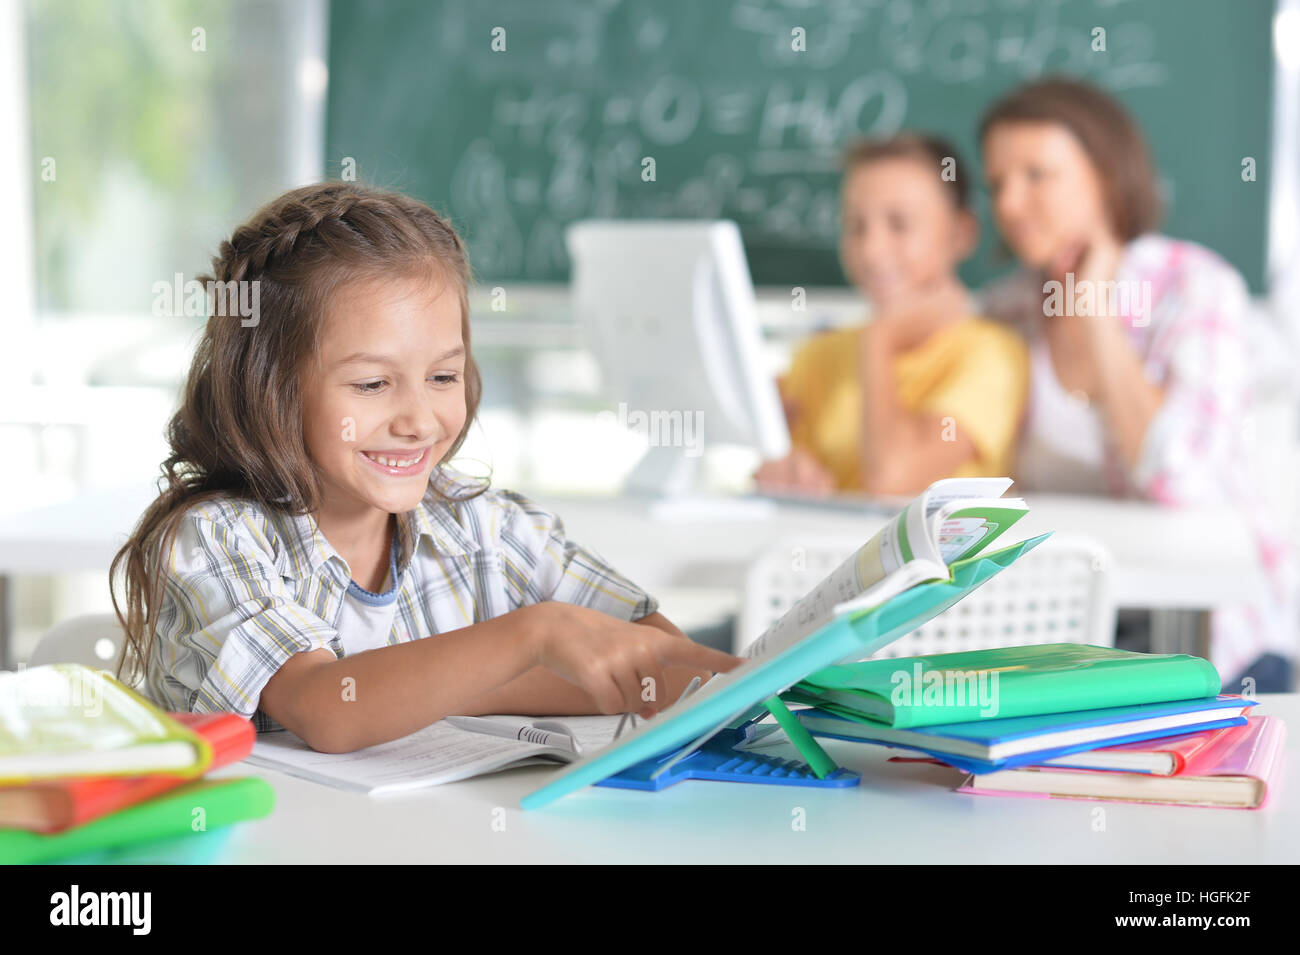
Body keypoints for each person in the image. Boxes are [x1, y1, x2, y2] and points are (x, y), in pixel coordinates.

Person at [110, 182, 739, 754]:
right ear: (269, 388)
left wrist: (778, 670)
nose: (418, 419)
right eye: (373, 383)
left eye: (443, 376)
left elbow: (656, 673)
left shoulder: (489, 529)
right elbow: (328, 708)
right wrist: (531, 639)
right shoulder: (215, 538)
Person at [979, 76, 1295, 689]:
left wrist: (1096, 312)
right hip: (1066, 638)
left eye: (1036, 176)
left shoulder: (1197, 287)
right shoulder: (1004, 313)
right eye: (997, 184)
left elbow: (1177, 478)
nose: (1010, 205)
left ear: (1105, 173)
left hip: (1218, 641)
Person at [755, 134, 1028, 497]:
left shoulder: (992, 355)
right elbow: (780, 472)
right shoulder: (818, 356)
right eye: (855, 225)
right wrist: (786, 475)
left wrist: (880, 338)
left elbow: (891, 482)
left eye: (899, 224)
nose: (872, 250)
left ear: (961, 233)